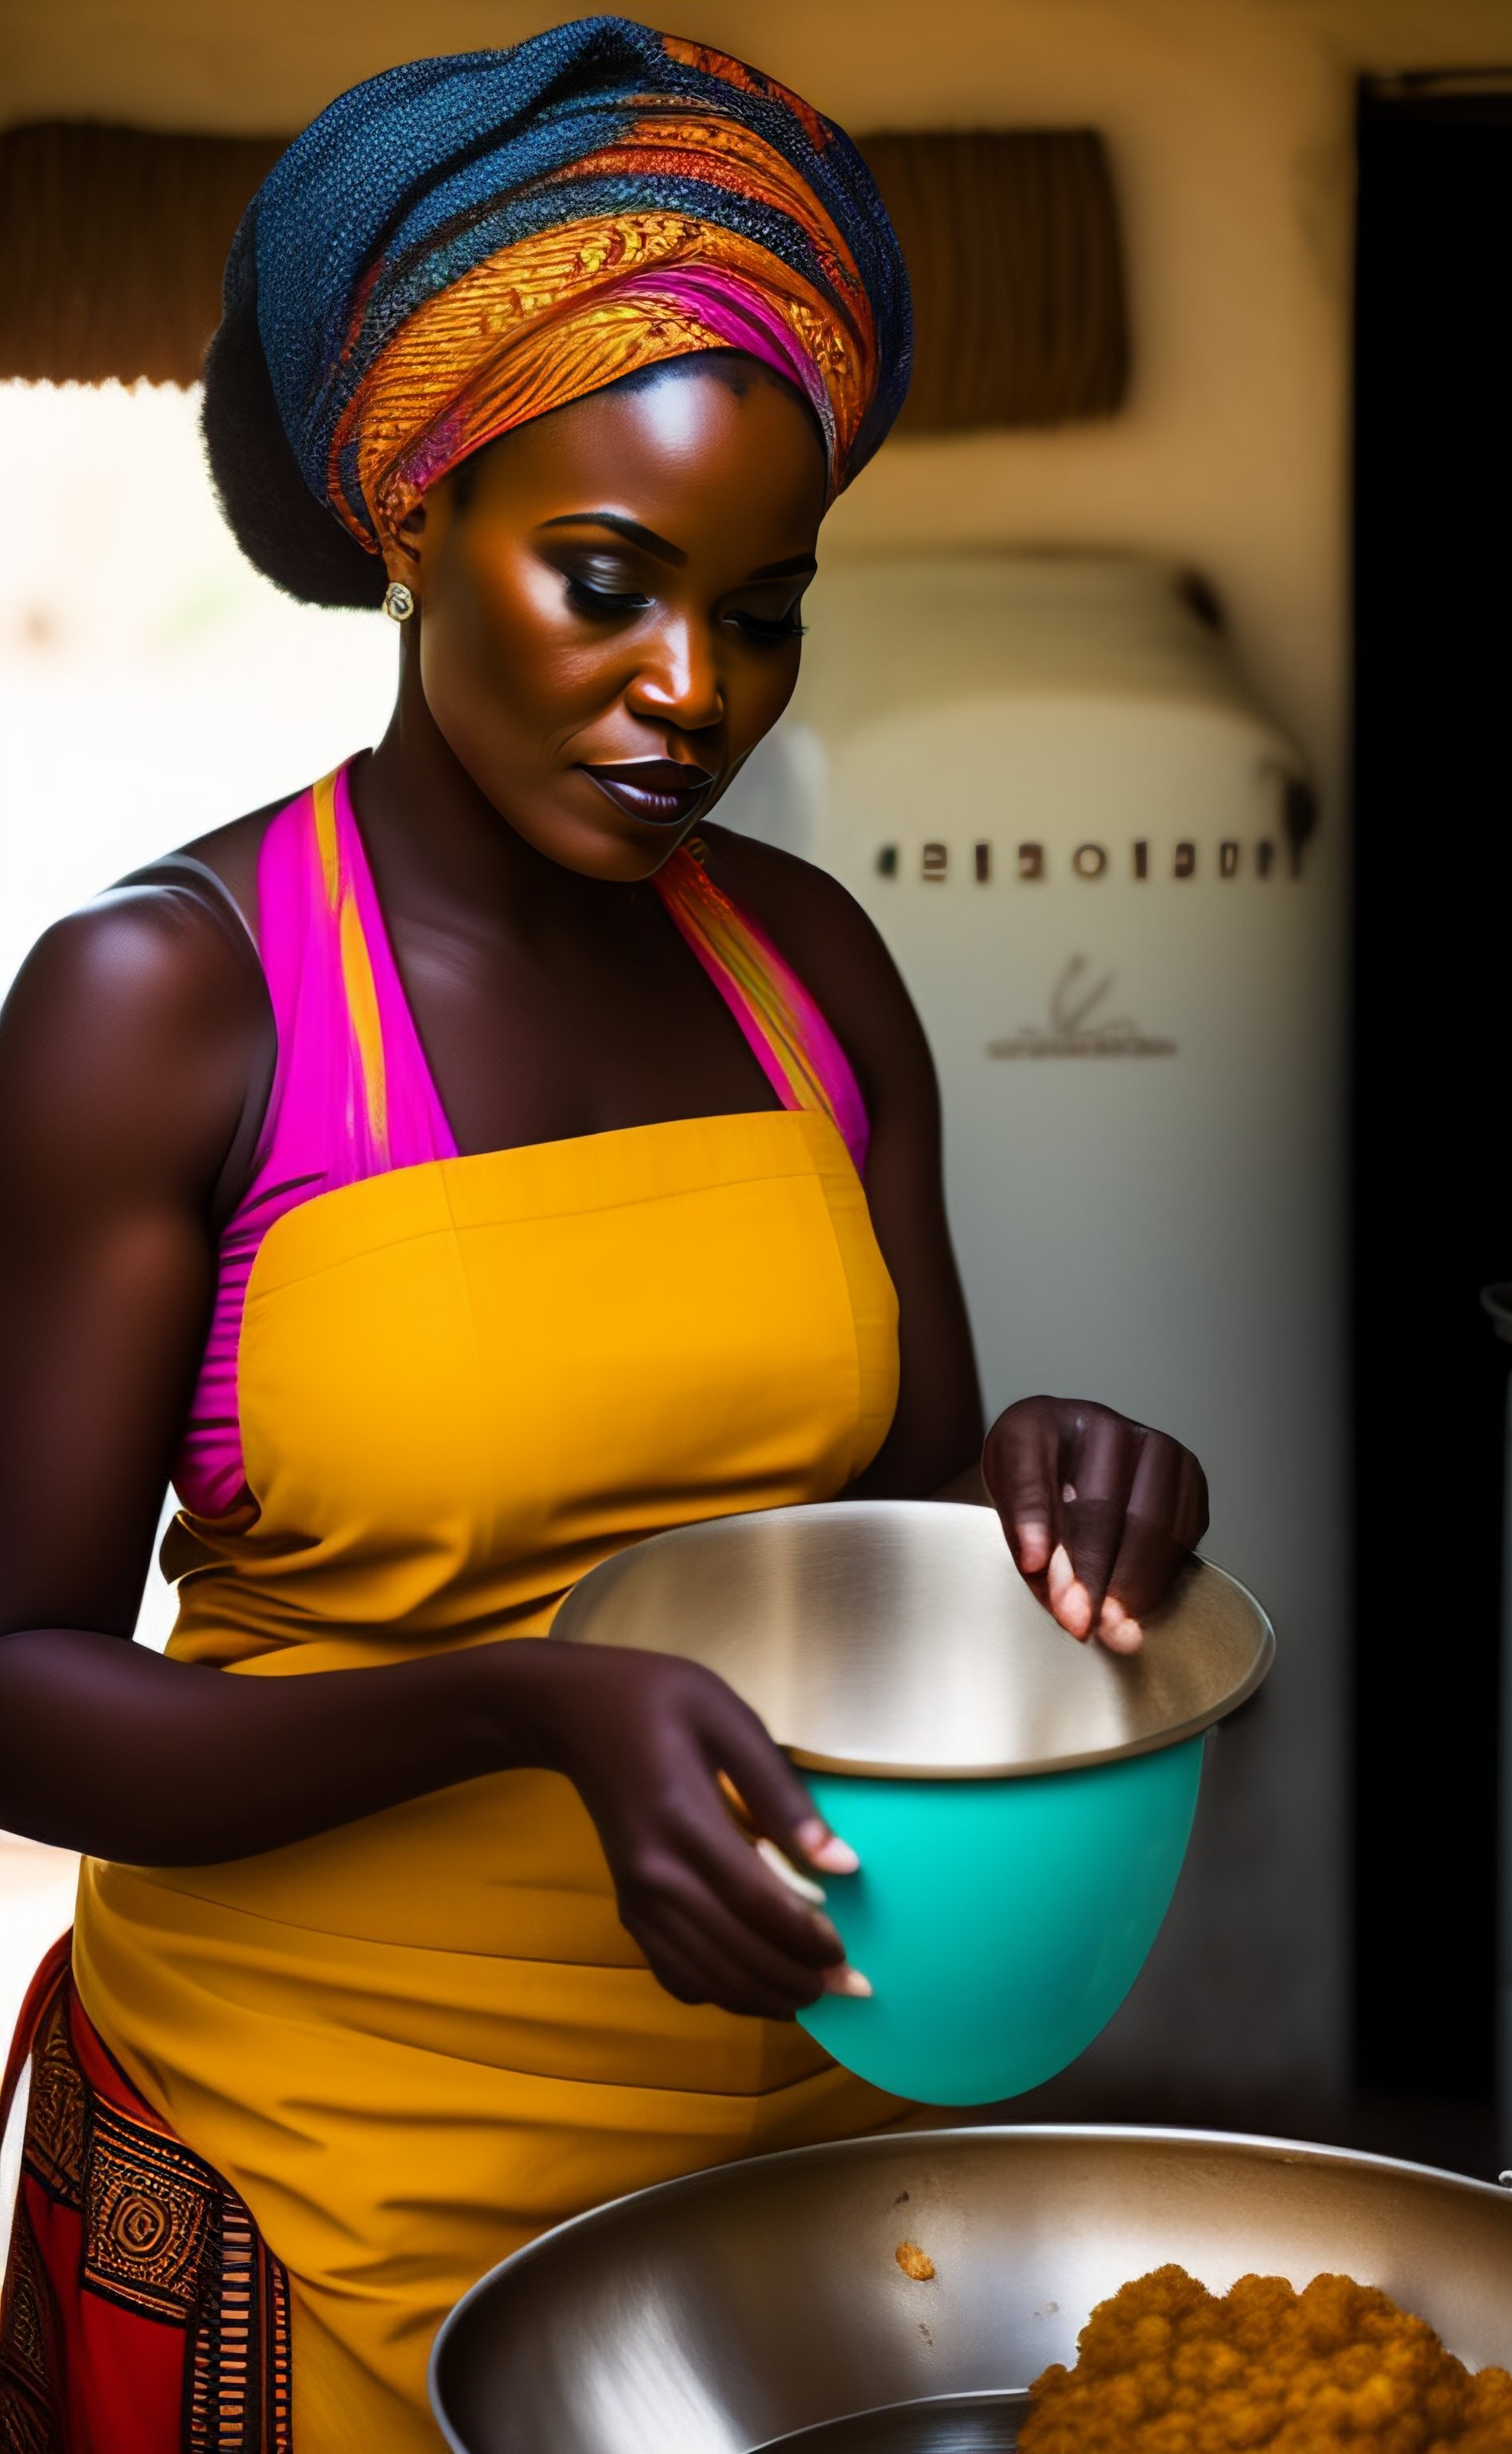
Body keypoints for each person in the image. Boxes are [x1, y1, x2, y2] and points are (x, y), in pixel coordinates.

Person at [0, 22, 1208, 2450]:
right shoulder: (170, 1004)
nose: (694, 695)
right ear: (418, 518)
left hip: (810, 2192)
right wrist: (516, 1708)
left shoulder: (812, 971)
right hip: (326, 2199)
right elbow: (11, 1681)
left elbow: (891, 1542)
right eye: (608, 583)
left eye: (764, 612)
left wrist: (1043, 1491)